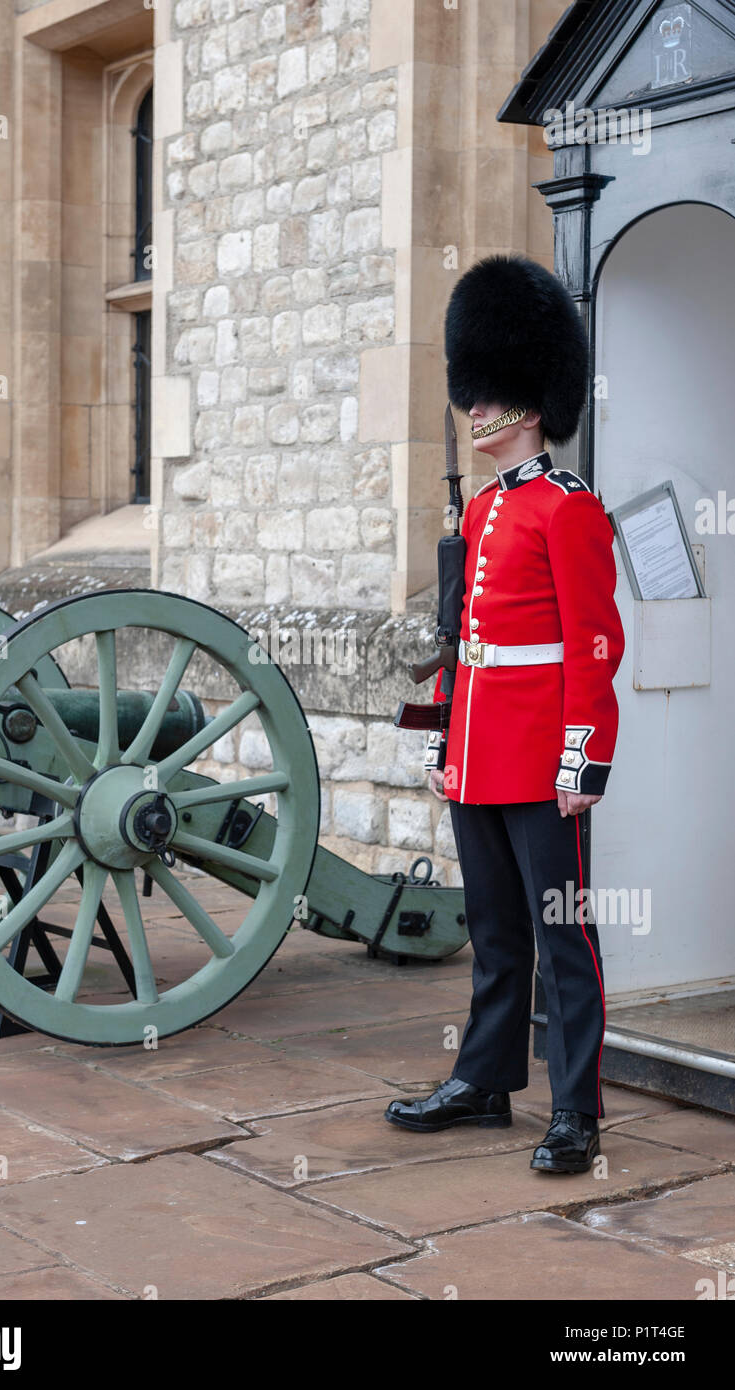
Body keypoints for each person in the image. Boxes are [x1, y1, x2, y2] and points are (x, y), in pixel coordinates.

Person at [385, 255, 625, 1174]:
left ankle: (576, 1109)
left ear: (528, 404)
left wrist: (581, 760)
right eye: (470, 395)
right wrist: (446, 736)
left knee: (561, 935)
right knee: (493, 931)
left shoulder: (568, 511)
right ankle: (485, 1081)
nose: (472, 412)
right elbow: (466, 642)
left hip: (537, 758)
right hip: (481, 749)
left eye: (487, 398)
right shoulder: (483, 512)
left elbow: (593, 645)